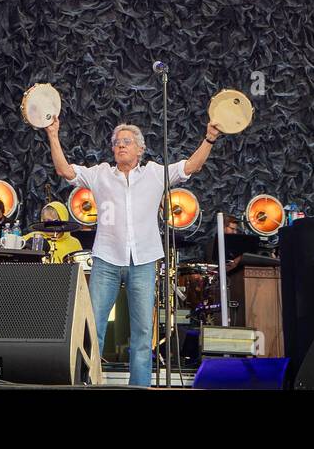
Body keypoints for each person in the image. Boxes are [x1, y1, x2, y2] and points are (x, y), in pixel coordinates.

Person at [47, 114, 220, 386]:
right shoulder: (100, 173)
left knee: (142, 333)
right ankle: (87, 382)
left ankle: (138, 387)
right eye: (116, 142)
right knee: (93, 329)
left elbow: (191, 167)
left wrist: (209, 138)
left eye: (127, 142)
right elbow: (65, 171)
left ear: (140, 149)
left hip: (144, 261)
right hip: (106, 259)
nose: (120, 146)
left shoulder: (154, 173)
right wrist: (53, 135)